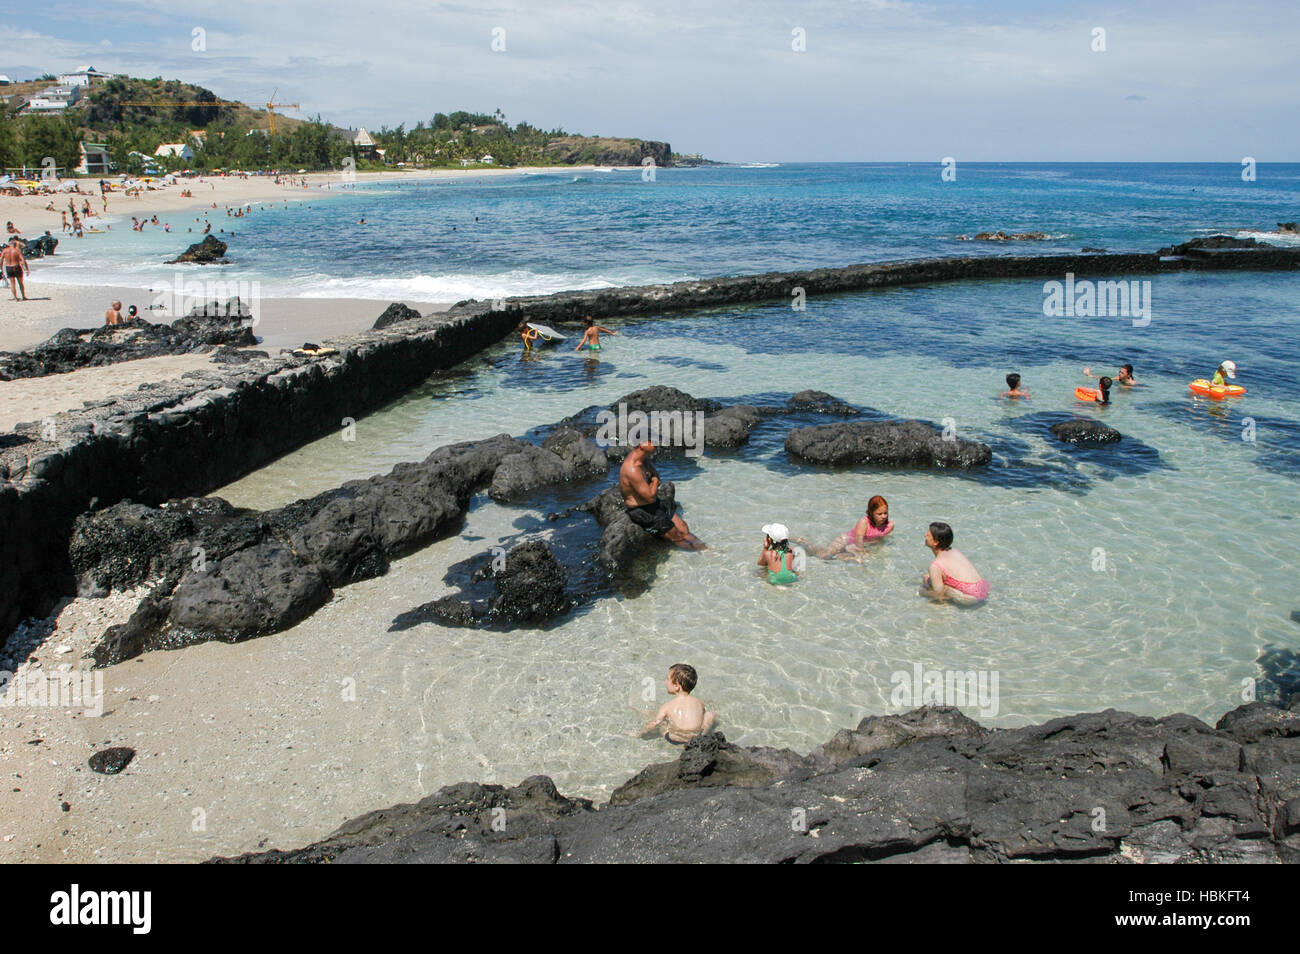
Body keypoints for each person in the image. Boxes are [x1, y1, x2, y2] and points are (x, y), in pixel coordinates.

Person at [620, 440, 706, 549]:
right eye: (651, 441)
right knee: (677, 537)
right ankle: (703, 556)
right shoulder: (632, 469)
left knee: (683, 528)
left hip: (654, 504)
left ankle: (706, 551)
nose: (656, 443)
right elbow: (650, 496)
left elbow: (656, 477)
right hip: (642, 510)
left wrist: (654, 482)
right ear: (641, 444)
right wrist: (654, 482)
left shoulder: (644, 460)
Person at [631, 664, 716, 745]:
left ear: (676, 686)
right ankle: (704, 733)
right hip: (696, 738)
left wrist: (639, 734)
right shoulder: (699, 702)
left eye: (667, 679)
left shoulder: (667, 706)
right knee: (710, 714)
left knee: (659, 720)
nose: (665, 681)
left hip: (675, 739)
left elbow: (654, 724)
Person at [798, 495, 893, 561]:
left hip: (852, 547)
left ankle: (839, 555)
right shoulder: (864, 522)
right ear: (871, 513)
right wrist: (861, 552)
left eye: (885, 513)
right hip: (845, 540)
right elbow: (858, 540)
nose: (883, 516)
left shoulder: (889, 526)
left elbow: (880, 539)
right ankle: (804, 543)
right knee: (824, 556)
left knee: (840, 560)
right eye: (879, 514)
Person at [920, 521, 988, 605]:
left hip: (970, 598)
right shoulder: (954, 551)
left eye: (928, 535)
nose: (925, 535)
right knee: (928, 577)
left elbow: (939, 596)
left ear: (936, 542)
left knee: (928, 584)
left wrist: (923, 592)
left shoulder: (935, 566)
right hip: (983, 588)